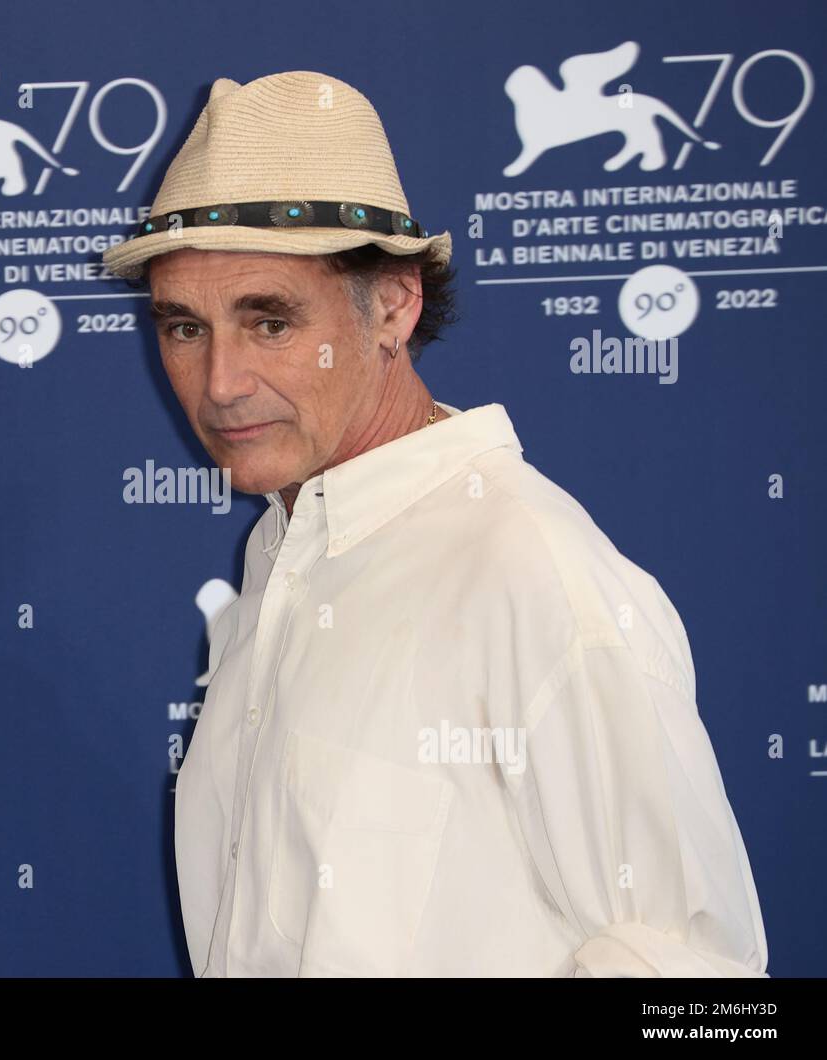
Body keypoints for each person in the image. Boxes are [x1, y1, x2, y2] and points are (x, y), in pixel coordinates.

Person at [103, 70, 769, 978]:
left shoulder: (531, 570)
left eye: (269, 320)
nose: (220, 382)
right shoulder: (284, 546)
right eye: (185, 327)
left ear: (393, 305)